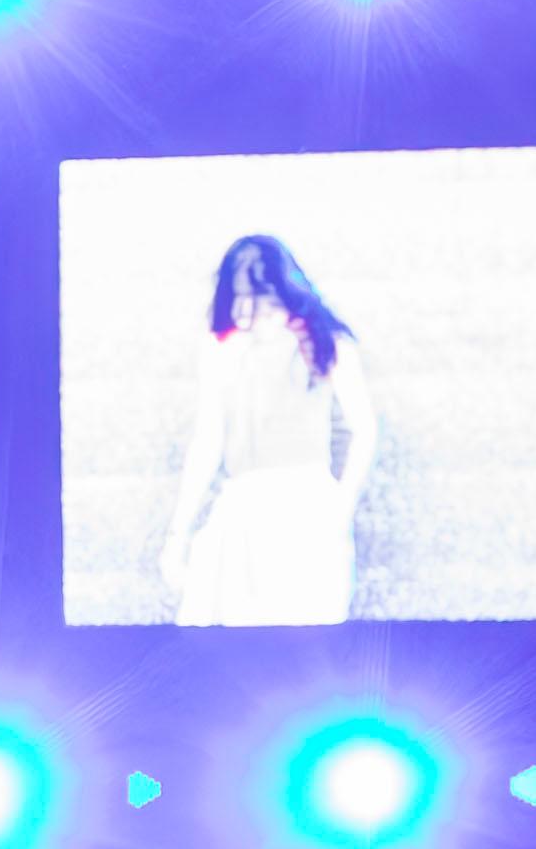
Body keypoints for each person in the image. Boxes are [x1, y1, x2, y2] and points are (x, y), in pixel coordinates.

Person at [159, 231, 381, 629]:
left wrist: (341, 505)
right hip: (241, 510)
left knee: (307, 643)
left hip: (306, 509)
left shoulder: (325, 341)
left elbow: (364, 430)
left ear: (283, 292)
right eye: (241, 297)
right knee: (228, 644)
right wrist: (179, 534)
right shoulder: (221, 347)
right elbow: (207, 440)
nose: (252, 312)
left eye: (264, 299)